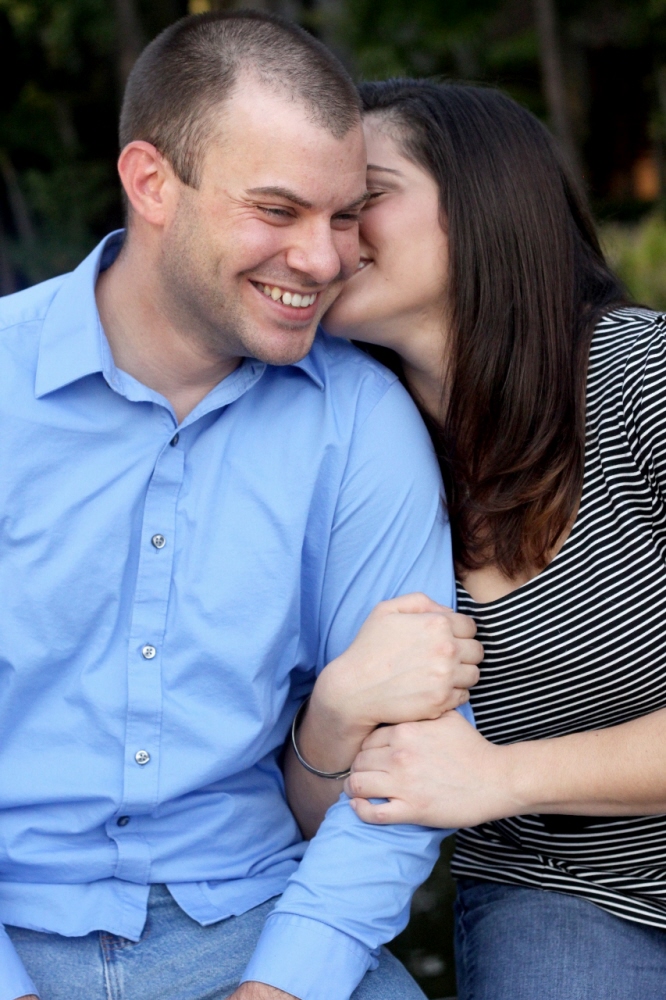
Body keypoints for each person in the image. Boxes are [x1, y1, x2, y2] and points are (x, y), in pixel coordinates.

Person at [0, 24, 487, 1000]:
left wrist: (285, 986)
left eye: (346, 215)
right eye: (277, 209)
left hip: (263, 923)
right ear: (151, 183)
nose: (321, 257)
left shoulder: (360, 420)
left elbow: (413, 748)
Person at [291, 79, 666, 999]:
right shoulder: (349, 466)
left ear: (486, 200)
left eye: (365, 198)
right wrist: (337, 710)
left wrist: (501, 777)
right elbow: (317, 820)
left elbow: (468, 782)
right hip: (557, 891)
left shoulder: (641, 377)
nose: (332, 235)